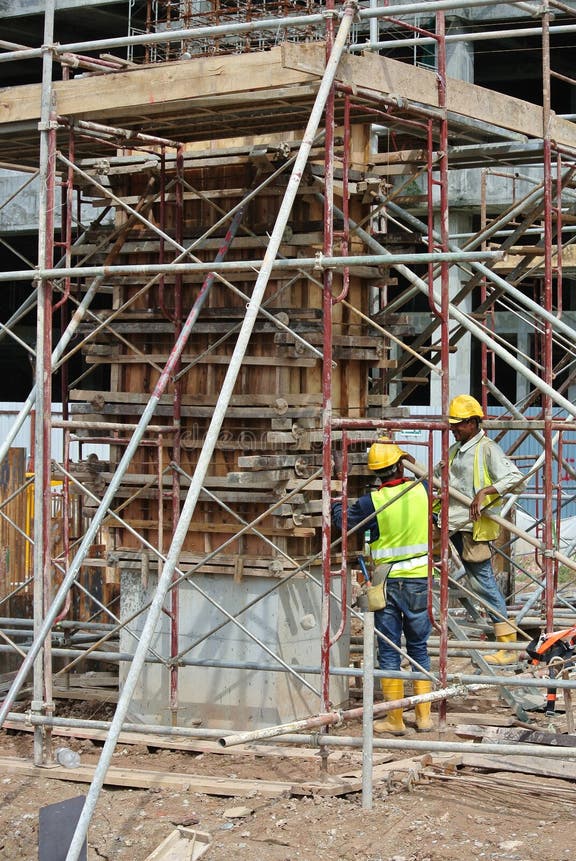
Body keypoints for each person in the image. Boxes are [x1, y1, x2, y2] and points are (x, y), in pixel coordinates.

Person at [332, 439, 433, 735]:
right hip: (419, 580)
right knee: (418, 647)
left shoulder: (371, 502)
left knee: (389, 650)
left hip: (386, 582)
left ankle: (395, 720)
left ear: (376, 473)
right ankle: (425, 718)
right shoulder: (422, 490)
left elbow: (342, 523)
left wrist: (340, 491)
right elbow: (431, 483)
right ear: (401, 465)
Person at [437, 394, 525, 665]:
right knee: (430, 570)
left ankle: (507, 645)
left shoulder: (487, 449)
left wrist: (485, 492)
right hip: (449, 522)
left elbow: (515, 479)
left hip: (471, 526)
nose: (454, 429)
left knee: (483, 583)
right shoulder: (455, 450)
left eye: (459, 424)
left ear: (474, 422)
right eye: (453, 424)